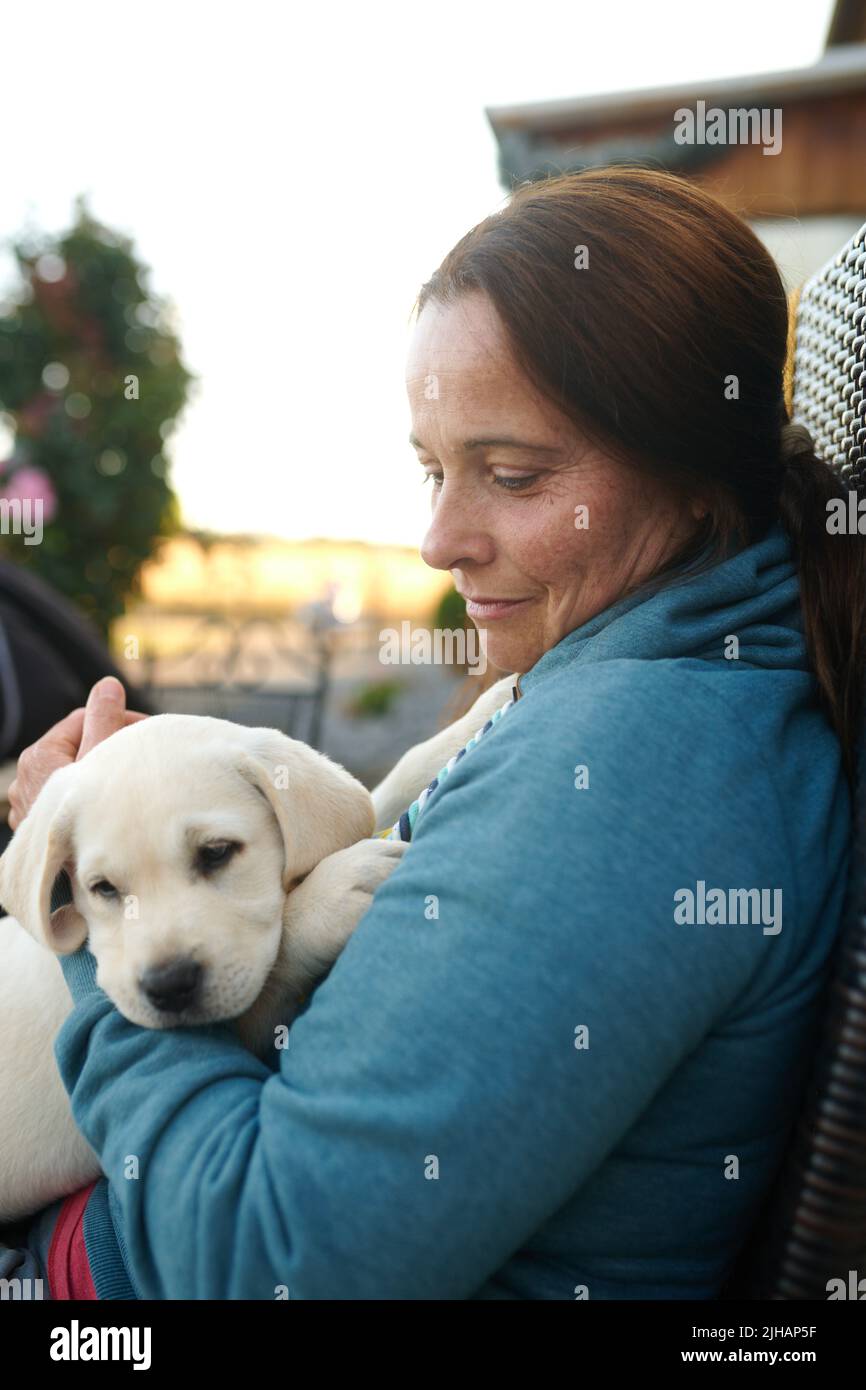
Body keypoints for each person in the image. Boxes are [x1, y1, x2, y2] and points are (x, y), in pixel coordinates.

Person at [2, 166, 863, 1300]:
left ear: (699, 480)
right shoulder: (626, 687)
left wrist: (92, 921)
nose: (438, 539)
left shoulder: (628, 772)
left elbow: (271, 1267)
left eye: (509, 475)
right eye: (430, 469)